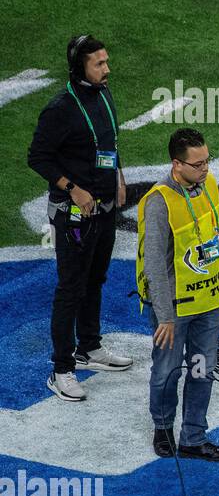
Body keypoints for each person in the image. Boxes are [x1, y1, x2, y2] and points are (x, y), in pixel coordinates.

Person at [28, 34, 132, 401]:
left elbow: (109, 142)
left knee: (95, 278)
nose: (107, 68)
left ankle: (89, 347)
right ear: (79, 68)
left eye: (106, 61)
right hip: (75, 215)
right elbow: (38, 157)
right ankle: (61, 369)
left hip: (104, 209)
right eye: (99, 63)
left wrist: (118, 176)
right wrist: (72, 187)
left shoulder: (103, 93)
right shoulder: (60, 109)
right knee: (70, 287)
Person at [135, 128, 219, 462]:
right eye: (197, 164)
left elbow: (210, 237)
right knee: (167, 372)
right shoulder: (159, 201)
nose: (205, 169)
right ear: (177, 164)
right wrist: (164, 316)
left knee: (201, 369)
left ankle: (193, 437)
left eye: (207, 161)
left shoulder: (210, 186)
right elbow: (155, 265)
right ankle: (163, 429)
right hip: (174, 308)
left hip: (207, 300)